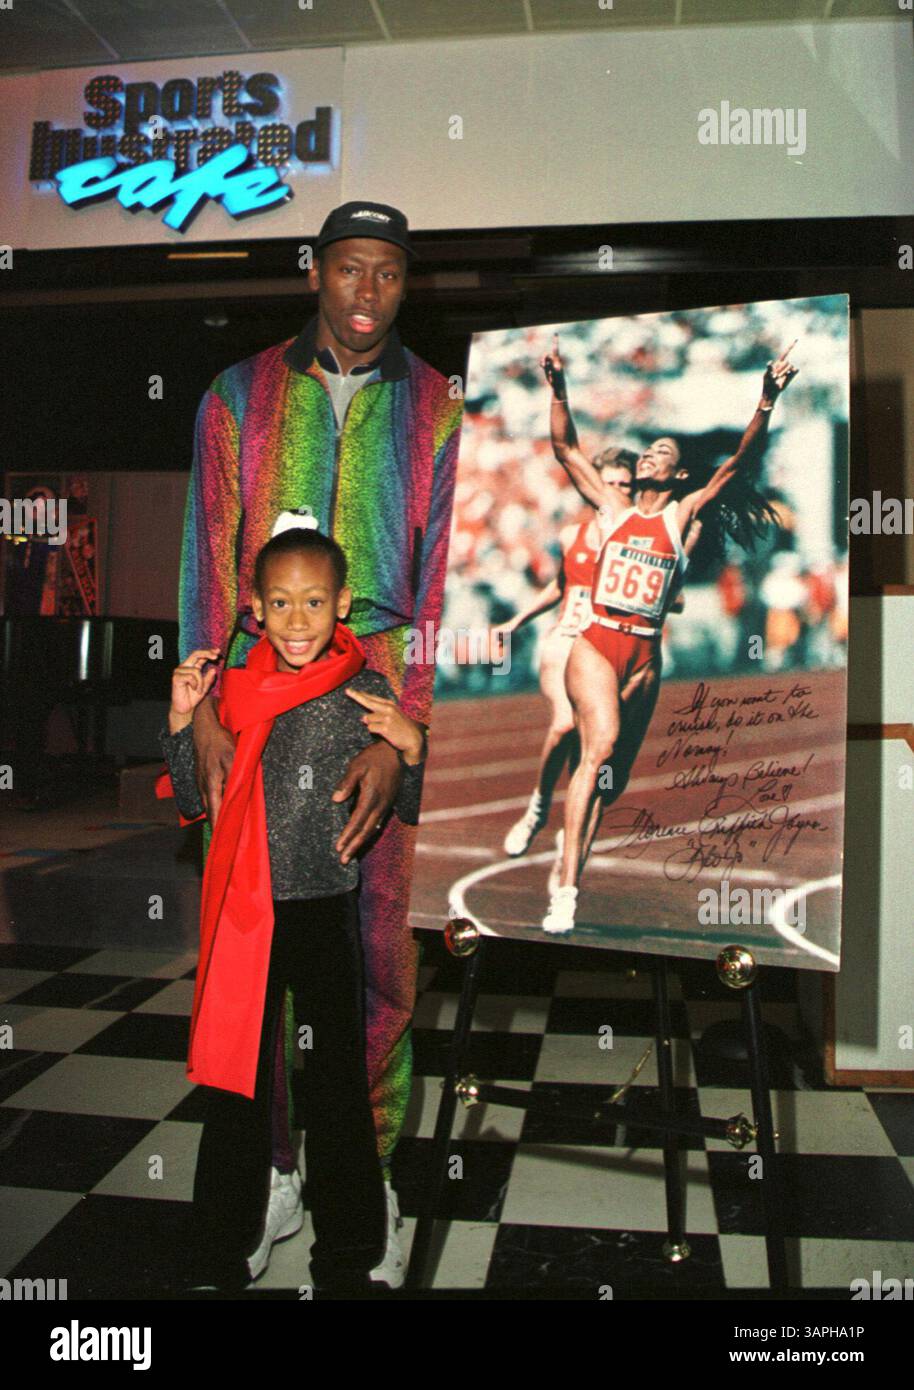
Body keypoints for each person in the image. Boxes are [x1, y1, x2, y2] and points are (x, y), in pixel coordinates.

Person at [178, 200, 463, 1285]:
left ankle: (363, 1173)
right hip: (253, 717)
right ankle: (270, 1176)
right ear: (314, 270)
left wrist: (411, 729)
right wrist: (202, 705)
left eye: (387, 273)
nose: (365, 292)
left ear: (403, 282)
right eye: (348, 268)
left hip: (371, 714)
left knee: (376, 966)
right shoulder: (235, 395)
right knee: (250, 972)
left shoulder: (442, 409)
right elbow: (208, 557)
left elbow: (441, 587)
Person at [158, 518, 428, 1290]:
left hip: (324, 911)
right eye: (281, 604)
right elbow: (190, 796)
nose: (299, 621)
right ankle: (226, 1239)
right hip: (247, 916)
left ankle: (349, 1254)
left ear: (343, 604)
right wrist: (183, 718)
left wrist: (410, 746)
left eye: (315, 602)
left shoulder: (365, 690)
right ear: (256, 609)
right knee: (233, 1081)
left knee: (336, 1085)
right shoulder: (233, 691)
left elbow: (407, 802)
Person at [540, 334, 797, 934]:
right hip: (598, 642)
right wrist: (558, 387)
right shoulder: (612, 506)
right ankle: (567, 893)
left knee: (611, 779)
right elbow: (564, 446)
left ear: (677, 472)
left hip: (646, 656)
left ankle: (569, 851)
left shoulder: (683, 518)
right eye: (646, 451)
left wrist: (766, 400)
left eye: (661, 452)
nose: (648, 456)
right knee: (597, 746)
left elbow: (738, 465)